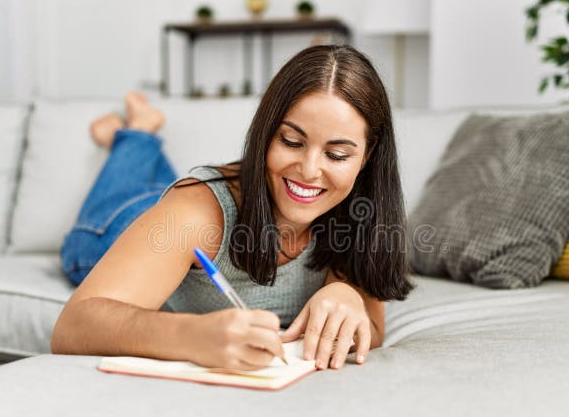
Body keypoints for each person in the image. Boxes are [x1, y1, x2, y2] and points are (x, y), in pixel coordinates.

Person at [51, 44, 414, 372]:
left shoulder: (360, 210)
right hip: (112, 230)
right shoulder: (196, 210)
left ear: (367, 155)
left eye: (336, 154)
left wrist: (346, 293)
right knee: (135, 194)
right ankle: (134, 135)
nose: (309, 170)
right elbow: (72, 327)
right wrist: (192, 337)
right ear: (265, 133)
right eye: (291, 141)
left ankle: (142, 136)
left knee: (167, 189)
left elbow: (372, 326)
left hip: (179, 207)